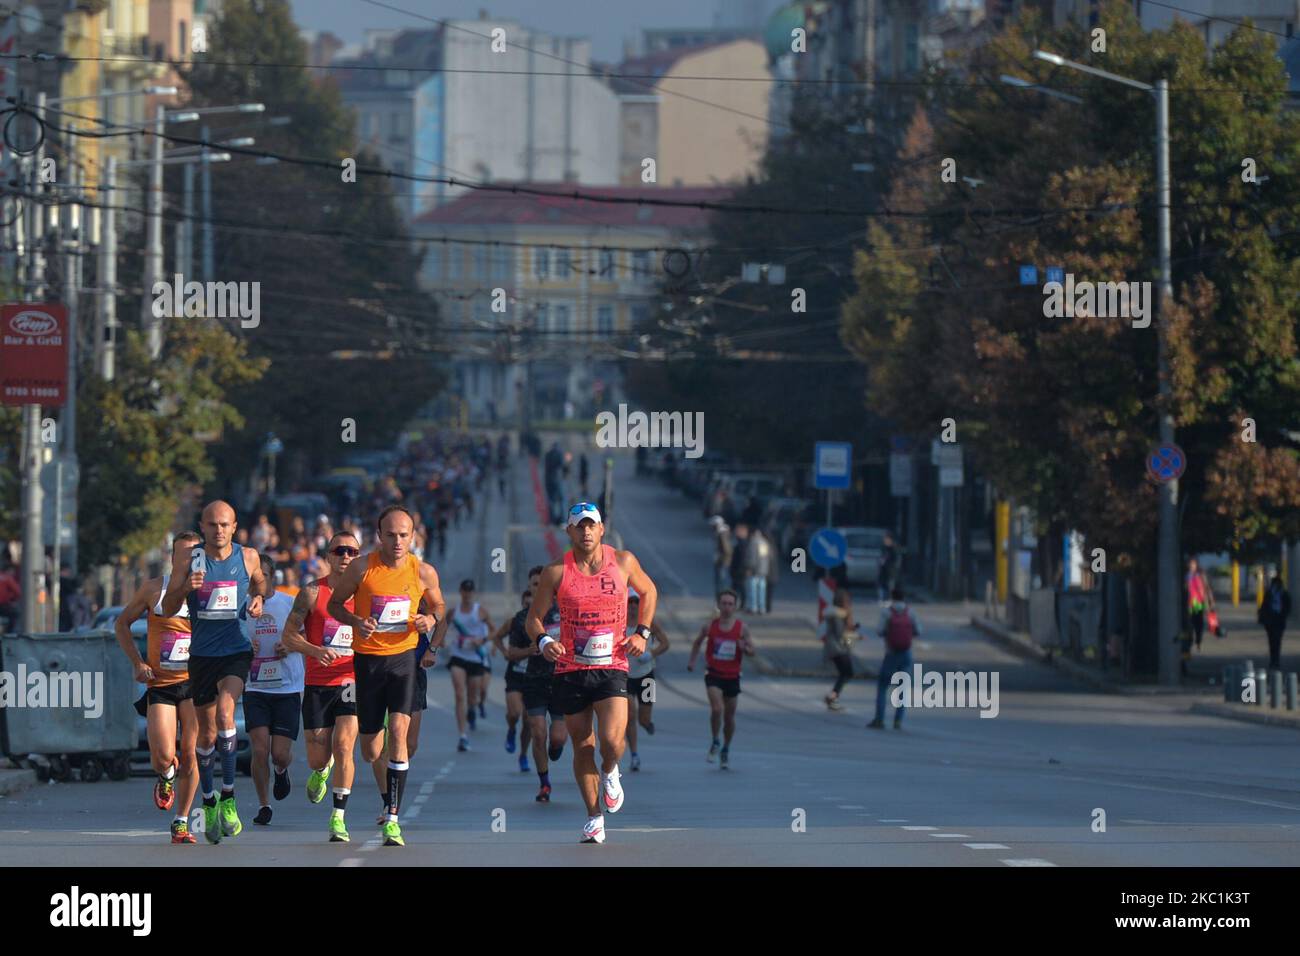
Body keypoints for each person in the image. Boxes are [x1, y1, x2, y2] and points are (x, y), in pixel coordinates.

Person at [525, 502, 659, 844]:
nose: (586, 531)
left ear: (602, 529)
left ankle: (611, 770)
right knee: (583, 746)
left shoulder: (624, 562)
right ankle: (594, 817)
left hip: (612, 665)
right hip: (570, 668)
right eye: (579, 526)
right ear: (569, 532)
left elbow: (649, 591)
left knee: (613, 741)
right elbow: (533, 618)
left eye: (592, 525)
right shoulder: (556, 571)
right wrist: (543, 642)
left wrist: (642, 632)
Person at [327, 505, 448, 848]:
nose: (397, 542)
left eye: (404, 535)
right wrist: (355, 622)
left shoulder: (423, 572)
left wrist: (430, 622)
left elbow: (439, 608)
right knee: (369, 749)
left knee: (399, 730)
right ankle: (385, 793)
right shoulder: (363, 568)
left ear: (413, 536)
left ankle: (393, 818)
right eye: (391, 535)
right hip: (368, 662)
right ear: (379, 536)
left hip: (403, 660)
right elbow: (336, 605)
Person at [161, 501, 268, 843]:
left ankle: (229, 797)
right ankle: (208, 801)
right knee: (205, 738)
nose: (218, 530)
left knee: (226, 713)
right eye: (211, 525)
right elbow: (166, 606)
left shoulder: (248, 556)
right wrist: (185, 588)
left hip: (235, 650)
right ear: (203, 527)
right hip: (202, 655)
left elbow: (261, 581)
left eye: (224, 525)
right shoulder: (190, 560)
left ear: (234, 527)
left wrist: (258, 597)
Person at [115, 532, 203, 844]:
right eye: (184, 554)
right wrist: (138, 663)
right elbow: (122, 623)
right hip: (162, 684)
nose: (189, 559)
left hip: (195, 684)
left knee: (191, 754)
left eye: (196, 553)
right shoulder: (154, 589)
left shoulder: (209, 592)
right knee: (164, 755)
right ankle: (166, 776)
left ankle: (181, 821)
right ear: (173, 557)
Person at [279, 531, 360, 843]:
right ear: (328, 557)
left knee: (344, 746)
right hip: (316, 682)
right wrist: (315, 651)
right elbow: (288, 636)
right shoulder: (312, 593)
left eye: (351, 552)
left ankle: (338, 816)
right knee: (318, 754)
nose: (345, 557)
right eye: (339, 551)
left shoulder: (364, 595)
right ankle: (321, 771)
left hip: (351, 680)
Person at [243, 554, 304, 826]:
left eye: (263, 575)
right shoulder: (241, 608)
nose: (258, 581)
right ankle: (264, 804)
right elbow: (231, 638)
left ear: (272, 577)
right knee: (259, 750)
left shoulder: (289, 604)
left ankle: (281, 770)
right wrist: (246, 647)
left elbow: (308, 637)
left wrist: (290, 645)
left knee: (278, 753)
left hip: (286, 688)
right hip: (254, 686)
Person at [687, 589, 754, 769]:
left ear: (735, 606)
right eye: (723, 603)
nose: (726, 607)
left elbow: (752, 651)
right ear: (718, 605)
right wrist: (692, 661)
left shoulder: (742, 628)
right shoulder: (710, 626)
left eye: (730, 604)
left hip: (732, 676)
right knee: (717, 709)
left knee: (730, 717)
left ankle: (726, 747)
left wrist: (745, 648)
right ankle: (716, 740)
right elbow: (697, 642)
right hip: (713, 674)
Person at [521, 565, 567, 802]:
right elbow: (513, 651)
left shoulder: (565, 611)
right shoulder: (527, 617)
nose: (539, 589)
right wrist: (527, 650)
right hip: (535, 680)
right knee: (538, 733)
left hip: (561, 680)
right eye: (535, 586)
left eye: (543, 585)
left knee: (557, 737)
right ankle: (544, 783)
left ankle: (555, 748)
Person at [624, 590, 669, 772]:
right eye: (630, 602)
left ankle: (647, 724)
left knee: (643, 718)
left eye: (636, 602)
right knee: (630, 715)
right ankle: (634, 755)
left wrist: (651, 653)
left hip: (646, 676)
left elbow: (665, 643)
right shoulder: (618, 623)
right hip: (625, 676)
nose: (633, 606)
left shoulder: (648, 622)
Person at [448, 579, 492, 751]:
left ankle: (473, 709)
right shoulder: (454, 612)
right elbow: (441, 627)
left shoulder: (480, 611)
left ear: (473, 593)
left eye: (470, 591)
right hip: (458, 656)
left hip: (475, 658)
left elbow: (495, 630)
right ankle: (463, 735)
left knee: (473, 696)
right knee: (460, 694)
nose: (467, 594)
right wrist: (438, 644)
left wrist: (483, 640)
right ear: (461, 592)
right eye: (465, 591)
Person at [494, 589, 535, 771]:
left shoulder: (544, 622)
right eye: (526, 604)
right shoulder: (515, 621)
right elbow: (496, 637)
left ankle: (523, 755)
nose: (529, 607)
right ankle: (511, 729)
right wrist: (504, 652)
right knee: (514, 713)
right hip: (515, 675)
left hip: (534, 676)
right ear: (522, 603)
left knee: (528, 719)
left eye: (532, 604)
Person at [869, 588, 921, 730]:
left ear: (892, 597)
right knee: (902, 688)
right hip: (906, 653)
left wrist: (889, 633)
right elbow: (918, 631)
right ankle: (898, 721)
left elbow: (879, 631)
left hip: (891, 653)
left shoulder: (887, 612)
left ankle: (879, 719)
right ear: (904, 598)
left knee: (883, 686)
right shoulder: (910, 612)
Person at [823, 587, 858, 711]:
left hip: (836, 648)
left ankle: (833, 697)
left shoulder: (836, 614)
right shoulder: (838, 615)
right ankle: (832, 696)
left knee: (845, 673)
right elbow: (840, 633)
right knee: (847, 673)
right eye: (847, 601)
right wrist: (851, 632)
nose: (849, 604)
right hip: (838, 649)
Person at [1260, 573, 1293, 671]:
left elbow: (1288, 606)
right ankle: (1273, 660)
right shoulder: (1269, 593)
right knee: (1271, 640)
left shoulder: (1284, 593)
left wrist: (1284, 615)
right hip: (1270, 620)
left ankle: (1276, 659)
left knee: (1277, 640)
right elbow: (1264, 605)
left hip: (1279, 619)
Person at [1184, 557, 1215, 656]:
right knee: (1189, 625)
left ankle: (1198, 641)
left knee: (1198, 624)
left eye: (1193, 564)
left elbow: (1207, 588)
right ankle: (1189, 644)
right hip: (1189, 603)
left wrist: (1211, 601)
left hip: (1198, 603)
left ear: (1196, 565)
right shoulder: (1185, 576)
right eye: (1190, 564)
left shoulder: (1200, 575)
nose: (1191, 566)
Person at [748, 527, 771, 617]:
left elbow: (753, 557)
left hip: (755, 570)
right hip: (763, 569)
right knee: (762, 589)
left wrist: (750, 568)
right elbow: (766, 557)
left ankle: (753, 607)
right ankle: (762, 607)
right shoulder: (764, 542)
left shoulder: (753, 542)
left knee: (752, 588)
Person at [710, 516, 732, 599]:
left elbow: (726, 549)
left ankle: (721, 600)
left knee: (721, 582)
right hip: (721, 561)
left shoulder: (722, 534)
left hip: (722, 562)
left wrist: (720, 557)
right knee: (720, 582)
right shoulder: (720, 533)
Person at [878, 533, 899, 603]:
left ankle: (890, 599)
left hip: (890, 570)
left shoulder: (893, 549)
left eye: (887, 539)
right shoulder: (883, 548)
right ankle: (882, 599)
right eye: (885, 539)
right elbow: (881, 558)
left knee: (890, 585)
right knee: (882, 584)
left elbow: (894, 560)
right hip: (883, 570)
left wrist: (887, 562)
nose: (886, 541)